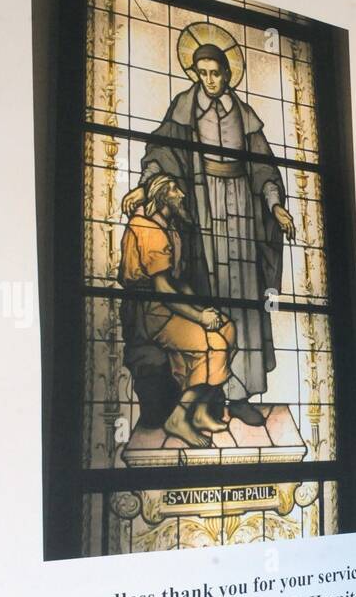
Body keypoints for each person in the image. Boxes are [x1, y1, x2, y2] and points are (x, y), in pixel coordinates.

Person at [122, 24, 296, 426]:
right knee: (209, 293)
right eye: (202, 73)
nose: (209, 79)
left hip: (242, 211)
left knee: (247, 296)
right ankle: (209, 396)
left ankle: (242, 393)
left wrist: (274, 205)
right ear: (195, 73)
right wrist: (146, 185)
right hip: (202, 210)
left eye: (215, 71)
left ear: (227, 72)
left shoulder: (244, 115)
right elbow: (161, 152)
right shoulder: (184, 107)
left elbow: (264, 167)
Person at [119, 173, 235, 447]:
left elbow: (176, 283)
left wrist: (203, 309)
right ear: (161, 196)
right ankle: (179, 417)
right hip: (150, 312)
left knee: (226, 328)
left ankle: (201, 411)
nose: (181, 195)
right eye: (174, 190)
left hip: (166, 304)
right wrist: (198, 317)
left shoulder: (168, 228)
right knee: (212, 345)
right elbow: (163, 290)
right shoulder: (147, 229)